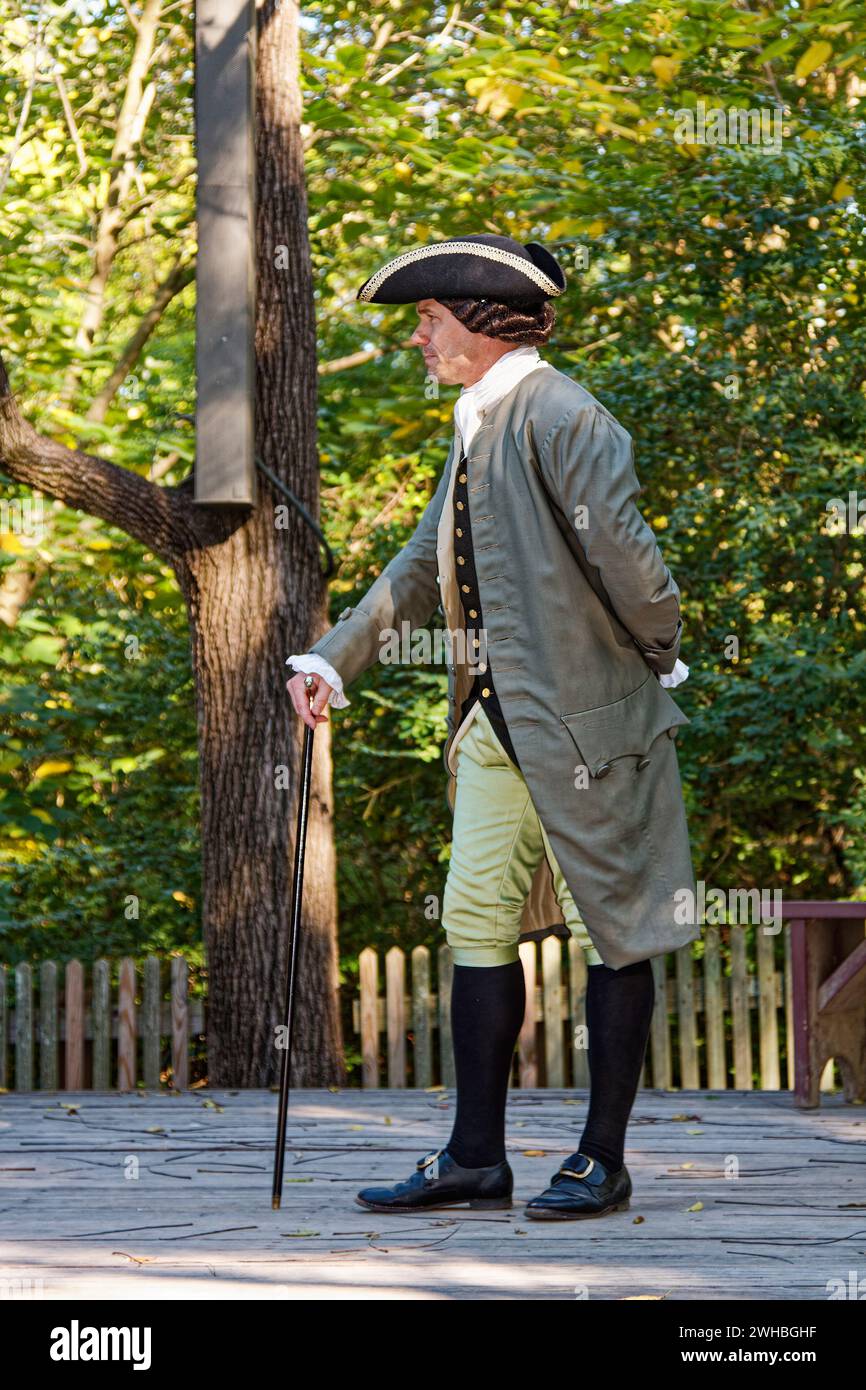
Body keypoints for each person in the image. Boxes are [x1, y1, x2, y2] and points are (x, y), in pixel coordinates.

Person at [286, 232, 699, 1219]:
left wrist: (659, 647)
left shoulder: (559, 414)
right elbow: (423, 568)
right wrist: (329, 661)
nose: (418, 339)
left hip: (584, 722)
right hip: (487, 718)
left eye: (427, 321)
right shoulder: (476, 424)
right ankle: (474, 1156)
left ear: (476, 321)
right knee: (472, 921)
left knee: (616, 931)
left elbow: (629, 562)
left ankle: (600, 1159)